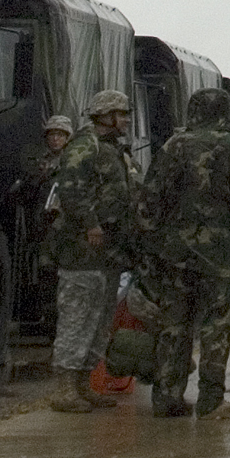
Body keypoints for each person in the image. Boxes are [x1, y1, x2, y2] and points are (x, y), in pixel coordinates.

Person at [143, 84, 230, 420]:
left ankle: (166, 397)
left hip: (174, 252)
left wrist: (152, 247)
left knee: (174, 325)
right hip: (219, 254)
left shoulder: (172, 145)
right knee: (215, 327)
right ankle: (211, 400)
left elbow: (149, 200)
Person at [43, 92, 139, 413]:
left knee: (100, 320)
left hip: (108, 255)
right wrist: (90, 224)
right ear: (105, 115)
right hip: (82, 251)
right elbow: (70, 188)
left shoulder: (114, 151)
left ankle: (84, 384)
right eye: (121, 114)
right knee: (77, 317)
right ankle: (64, 387)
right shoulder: (85, 146)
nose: (126, 119)